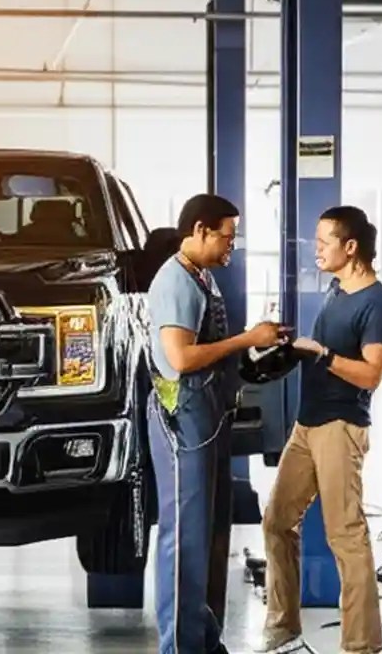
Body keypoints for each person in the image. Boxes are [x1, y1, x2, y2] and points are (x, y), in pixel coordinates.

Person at [147, 193, 290, 654]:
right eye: (227, 236)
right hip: (182, 415)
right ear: (201, 230)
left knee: (210, 534)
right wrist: (247, 338)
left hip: (208, 415)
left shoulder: (202, 276)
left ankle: (205, 640)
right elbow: (181, 357)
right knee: (185, 537)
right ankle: (180, 647)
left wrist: (255, 352)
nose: (233, 245)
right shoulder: (176, 282)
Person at [255, 205, 382, 654]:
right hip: (307, 423)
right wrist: (291, 349)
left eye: (324, 241)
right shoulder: (336, 289)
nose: (315, 248)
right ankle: (283, 626)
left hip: (340, 426)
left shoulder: (376, 302)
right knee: (277, 521)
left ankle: (361, 647)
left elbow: (371, 374)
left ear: (350, 247)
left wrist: (323, 356)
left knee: (346, 536)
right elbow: (321, 351)